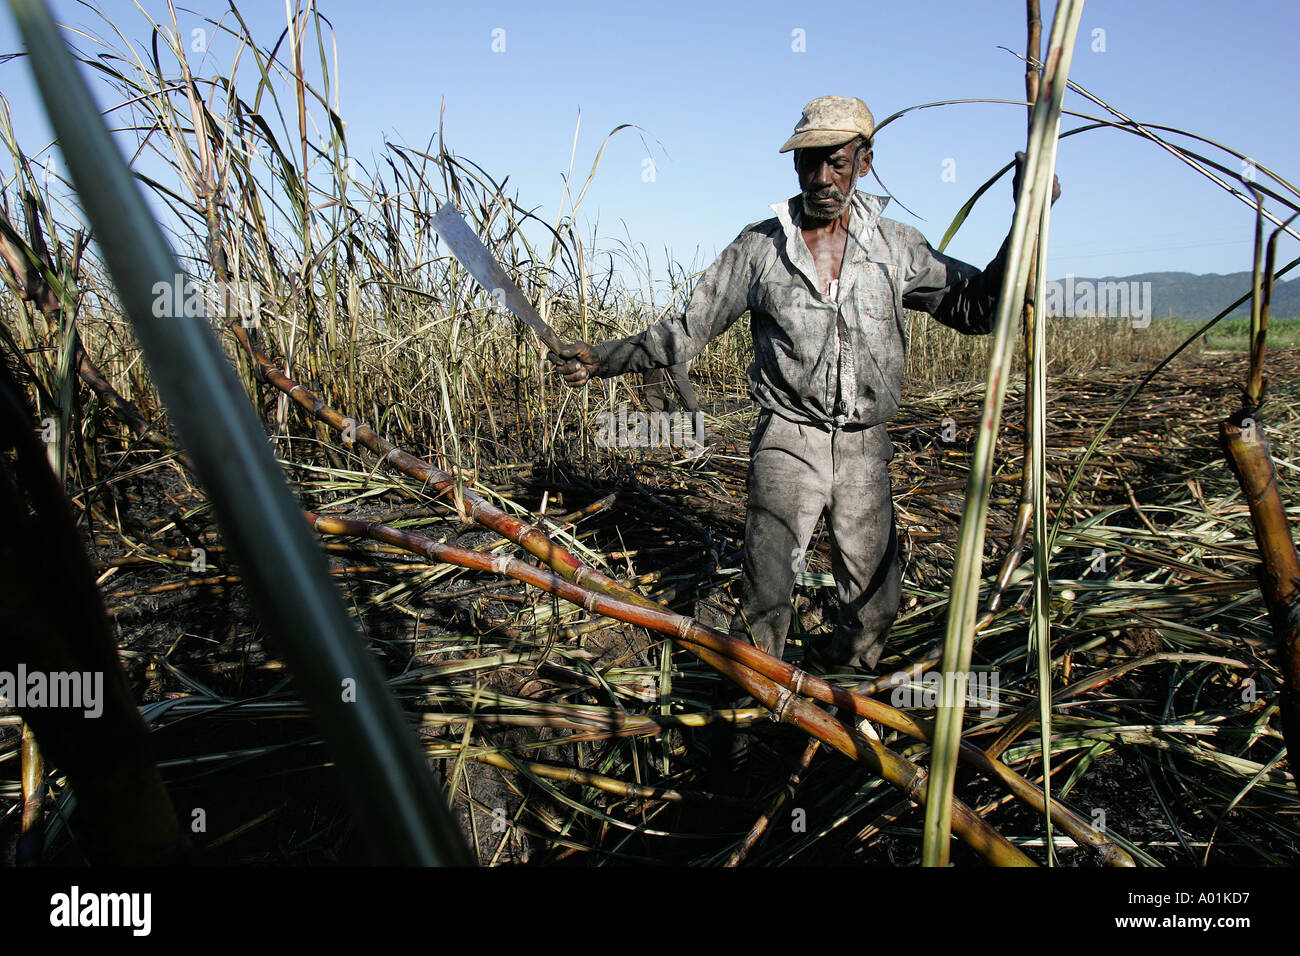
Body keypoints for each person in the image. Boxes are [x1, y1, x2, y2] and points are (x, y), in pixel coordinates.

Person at [551, 94, 1057, 675]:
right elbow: (682, 335)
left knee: (873, 604)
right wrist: (602, 358)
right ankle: (754, 713)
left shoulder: (898, 247)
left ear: (863, 162)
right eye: (808, 162)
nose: (821, 178)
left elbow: (979, 310)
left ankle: (840, 701)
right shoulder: (759, 249)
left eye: (836, 163)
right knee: (767, 593)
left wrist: (1029, 214)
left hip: (865, 445)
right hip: (788, 440)